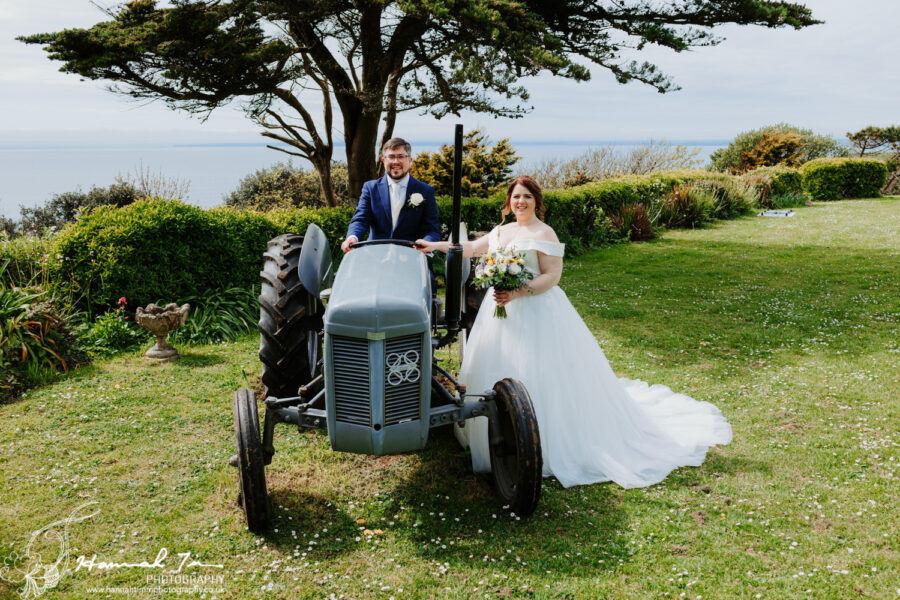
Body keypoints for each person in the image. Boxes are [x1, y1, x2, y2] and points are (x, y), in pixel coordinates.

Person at [415, 176, 732, 489]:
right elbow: (470, 248)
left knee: (541, 373)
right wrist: (434, 246)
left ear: (536, 201)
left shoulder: (544, 232)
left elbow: (552, 276)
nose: (521, 202)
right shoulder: (502, 230)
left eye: (527, 197)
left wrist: (519, 292)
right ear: (509, 202)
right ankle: (500, 435)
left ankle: (543, 440)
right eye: (516, 197)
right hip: (499, 313)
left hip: (536, 311)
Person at [341, 137, 440, 253]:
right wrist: (352, 237)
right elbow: (361, 219)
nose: (395, 161)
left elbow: (432, 230)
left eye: (401, 156)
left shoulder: (426, 191)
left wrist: (427, 243)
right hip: (375, 255)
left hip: (411, 255)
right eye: (391, 157)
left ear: (410, 160)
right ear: (384, 160)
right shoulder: (370, 188)